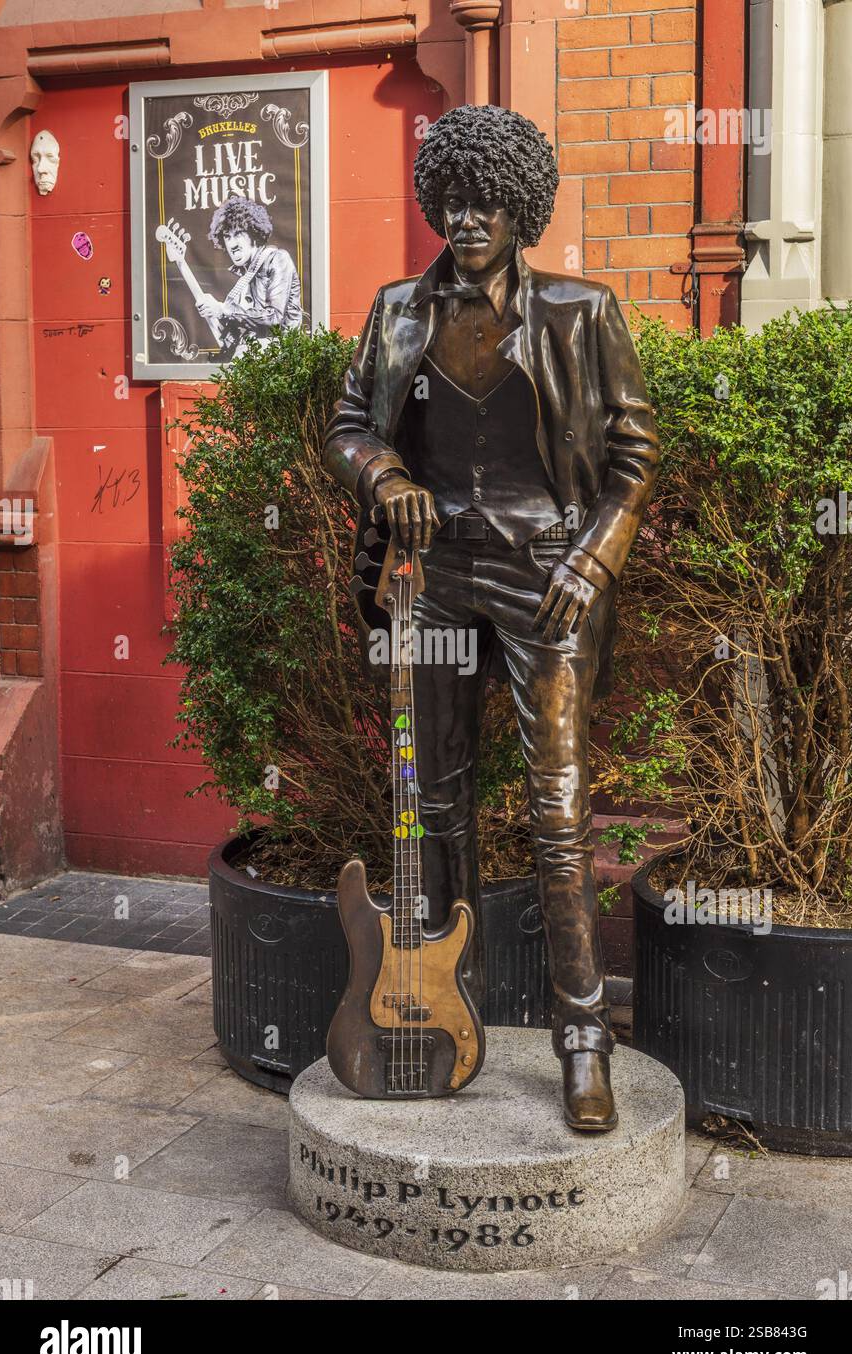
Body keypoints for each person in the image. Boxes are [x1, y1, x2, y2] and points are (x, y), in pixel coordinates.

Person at [322, 105, 660, 1131]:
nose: (468, 220)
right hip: (432, 575)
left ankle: (583, 1038)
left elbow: (633, 456)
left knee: (558, 811)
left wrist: (593, 559)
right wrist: (383, 476)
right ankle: (440, 1002)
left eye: (489, 203)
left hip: (543, 574)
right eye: (454, 202)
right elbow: (349, 425)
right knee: (433, 799)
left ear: (522, 210)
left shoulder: (580, 312)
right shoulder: (398, 310)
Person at [195, 195, 302, 353]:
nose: (232, 244)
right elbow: (245, 322)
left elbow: (274, 317)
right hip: (255, 356)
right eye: (227, 236)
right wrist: (214, 311)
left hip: (282, 357)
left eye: (238, 233)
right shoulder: (245, 275)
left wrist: (223, 310)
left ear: (254, 232)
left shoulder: (277, 258)